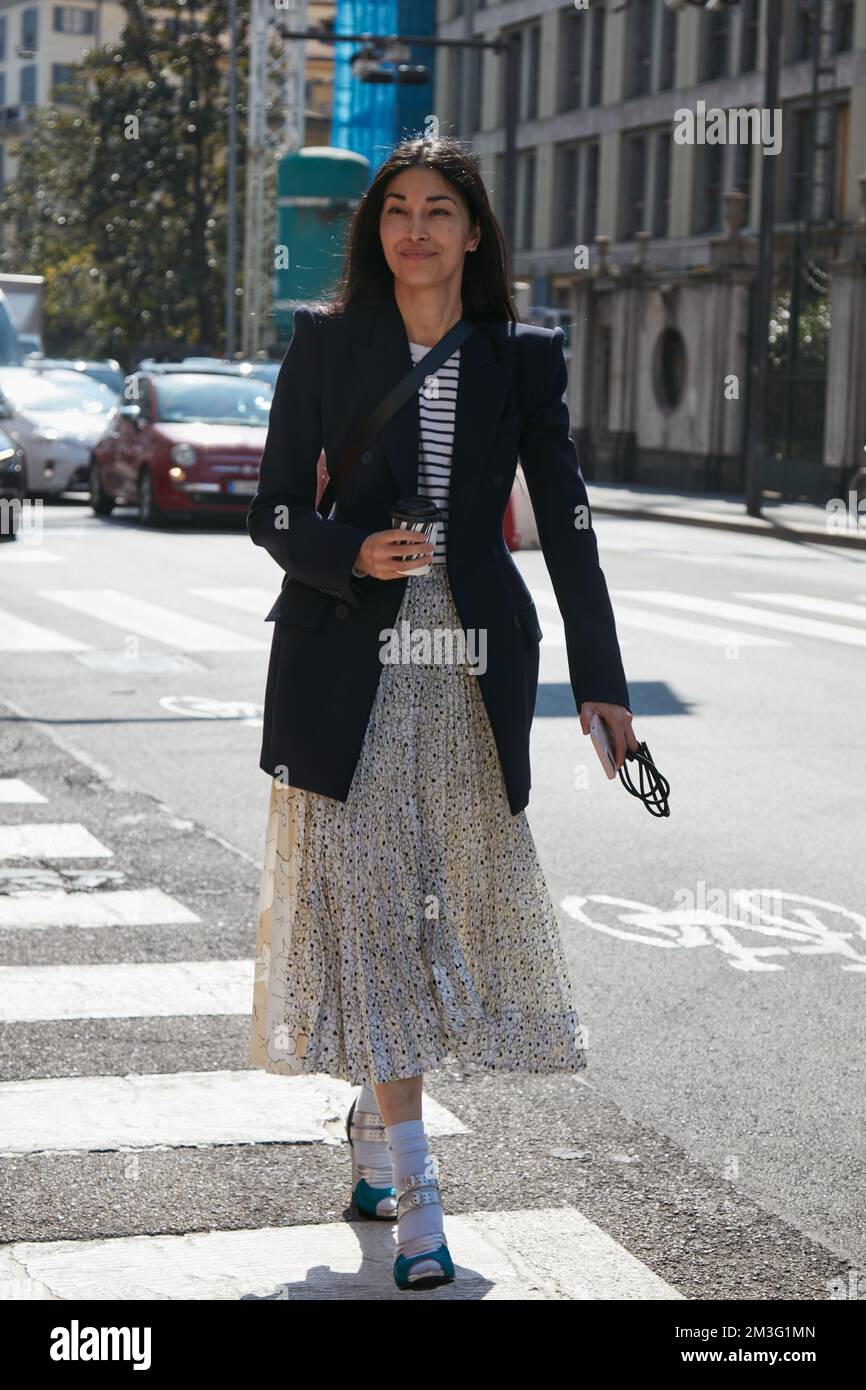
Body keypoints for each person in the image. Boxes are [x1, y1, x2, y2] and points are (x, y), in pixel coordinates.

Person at [247, 135, 638, 1292]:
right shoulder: (325, 344)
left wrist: (604, 682)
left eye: (438, 212)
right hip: (343, 669)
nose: (414, 231)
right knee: (373, 905)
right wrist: (343, 547)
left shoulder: (522, 355)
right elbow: (270, 511)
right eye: (396, 212)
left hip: (468, 675)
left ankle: (373, 1130)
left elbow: (564, 523)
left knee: (429, 914)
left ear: (473, 234)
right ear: (375, 232)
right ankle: (420, 1199)